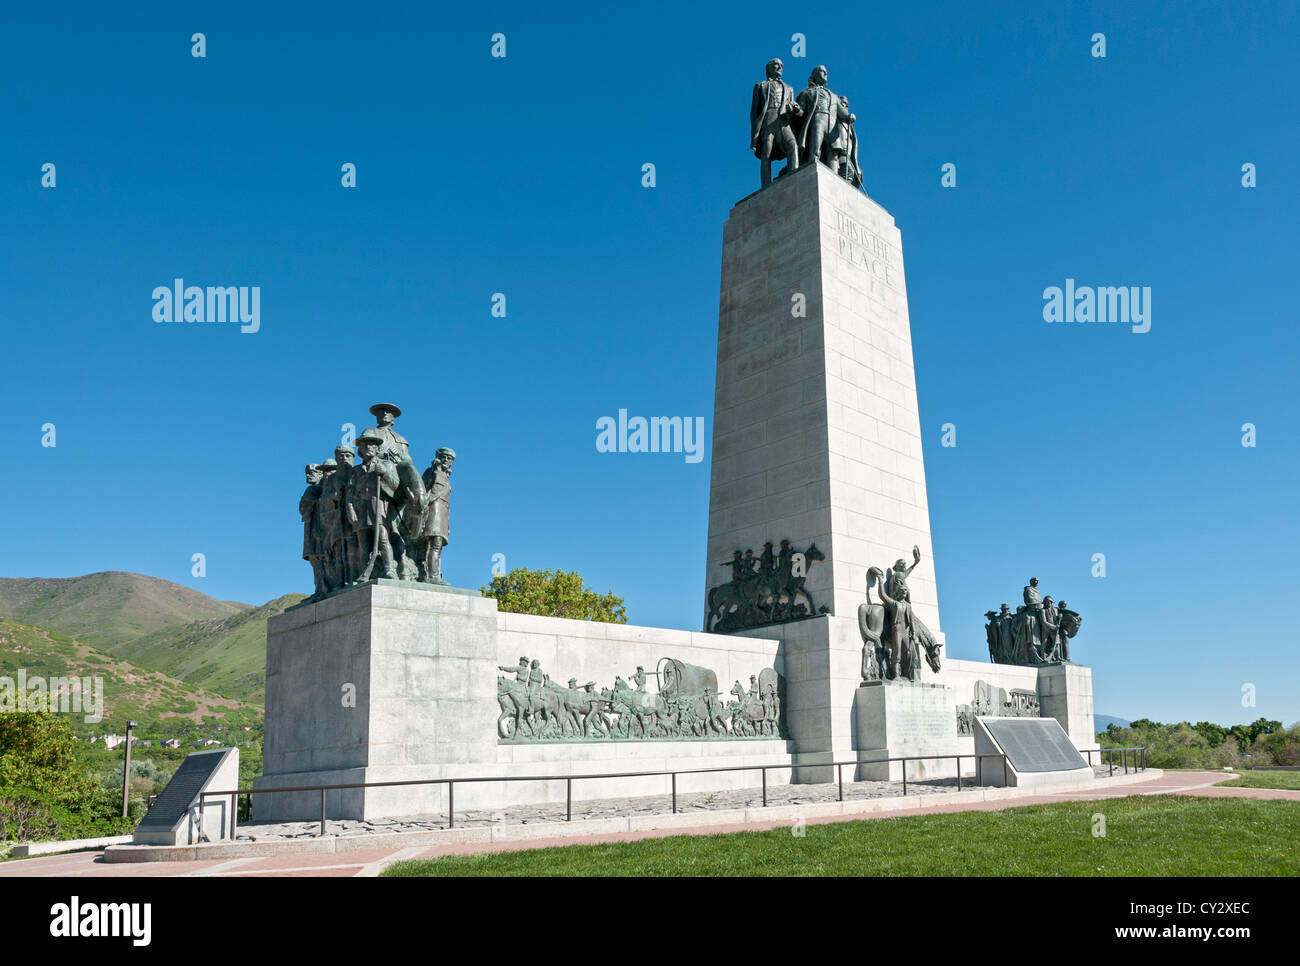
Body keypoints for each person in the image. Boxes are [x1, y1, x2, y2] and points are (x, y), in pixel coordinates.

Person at [750, 58, 801, 186]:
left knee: (793, 146)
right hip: (767, 121)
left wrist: (794, 109)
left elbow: (794, 109)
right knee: (766, 153)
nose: (780, 68)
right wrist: (756, 130)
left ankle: (794, 177)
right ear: (769, 69)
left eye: (781, 66)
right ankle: (765, 185)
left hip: (783, 122)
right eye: (776, 65)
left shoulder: (789, 88)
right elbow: (754, 111)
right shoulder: (760, 86)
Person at [417, 447, 455, 583]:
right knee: (434, 544)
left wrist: (448, 524)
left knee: (437, 546)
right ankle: (432, 576)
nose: (446, 460)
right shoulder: (432, 472)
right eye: (443, 457)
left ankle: (435, 574)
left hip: (443, 513)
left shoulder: (446, 477)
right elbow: (421, 489)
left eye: (449, 458)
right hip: (433, 510)